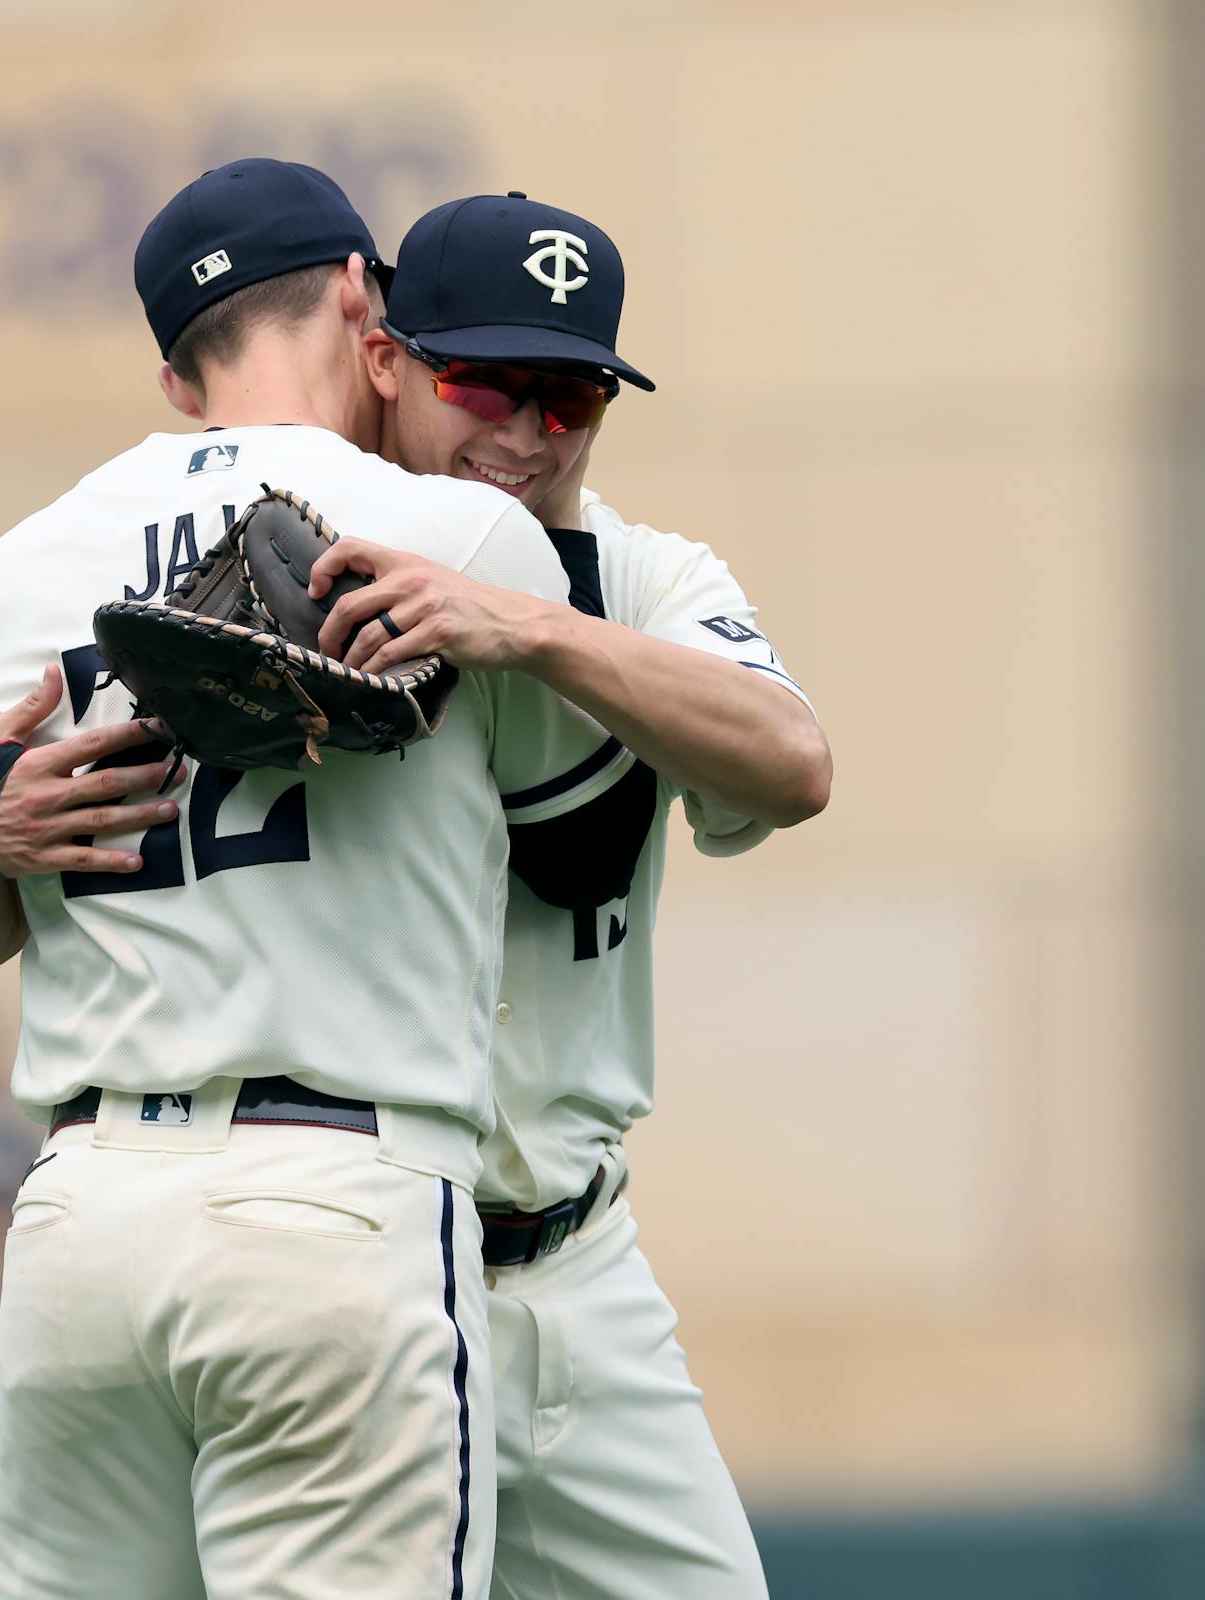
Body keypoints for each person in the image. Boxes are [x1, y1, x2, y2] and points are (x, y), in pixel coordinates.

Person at [0, 159, 609, 1598]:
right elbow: (578, 848)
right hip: (333, 1203)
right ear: (367, 305)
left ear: (181, 380)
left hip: (80, 1225)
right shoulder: (455, 531)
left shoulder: (23, 562)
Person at [307, 192, 832, 1599]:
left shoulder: (645, 577)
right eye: (483, 380)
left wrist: (532, 627)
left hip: (579, 1261)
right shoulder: (286, 563)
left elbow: (792, 764)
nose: (523, 433)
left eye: (570, 397)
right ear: (389, 362)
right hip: (364, 1270)